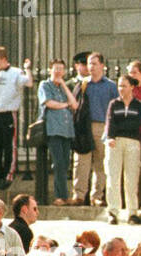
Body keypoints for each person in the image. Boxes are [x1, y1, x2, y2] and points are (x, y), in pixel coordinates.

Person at [0, 48, 32, 191]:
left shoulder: (15, 72)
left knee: (9, 145)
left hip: (8, 112)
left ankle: (9, 174)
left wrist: (27, 68)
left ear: (3, 59)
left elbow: (29, 83)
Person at [73, 54, 117, 207]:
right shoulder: (83, 84)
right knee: (81, 163)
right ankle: (78, 195)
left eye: (94, 63)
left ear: (102, 65)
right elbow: (75, 105)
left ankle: (97, 196)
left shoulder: (111, 86)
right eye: (89, 64)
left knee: (101, 163)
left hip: (103, 126)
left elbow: (116, 108)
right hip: (85, 127)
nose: (91, 66)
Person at [103, 75, 141, 224]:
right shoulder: (114, 104)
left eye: (124, 86)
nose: (121, 89)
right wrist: (111, 137)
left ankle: (132, 212)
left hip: (133, 142)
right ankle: (113, 212)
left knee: (131, 178)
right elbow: (110, 121)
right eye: (119, 86)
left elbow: (135, 124)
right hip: (115, 142)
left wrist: (120, 128)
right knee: (113, 177)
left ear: (132, 87)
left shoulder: (139, 105)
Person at [38, 59, 80, 206]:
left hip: (67, 131)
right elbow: (49, 103)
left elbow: (75, 105)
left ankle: (64, 195)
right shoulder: (45, 85)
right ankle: (59, 196)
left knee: (65, 163)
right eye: (55, 69)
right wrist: (65, 105)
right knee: (58, 163)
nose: (58, 72)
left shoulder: (64, 87)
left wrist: (63, 84)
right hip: (54, 129)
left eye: (61, 69)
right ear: (50, 70)